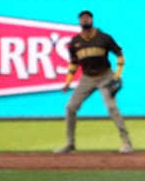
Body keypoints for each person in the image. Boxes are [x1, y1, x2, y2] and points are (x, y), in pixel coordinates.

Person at [55, 11, 131, 155]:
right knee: (70, 107)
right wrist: (67, 82)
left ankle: (126, 141)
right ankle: (70, 145)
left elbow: (120, 55)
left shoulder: (104, 38)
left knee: (111, 107)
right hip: (87, 78)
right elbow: (74, 63)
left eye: (87, 17)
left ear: (92, 19)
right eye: (82, 18)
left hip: (105, 76)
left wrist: (117, 76)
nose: (85, 20)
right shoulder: (75, 42)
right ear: (79, 21)